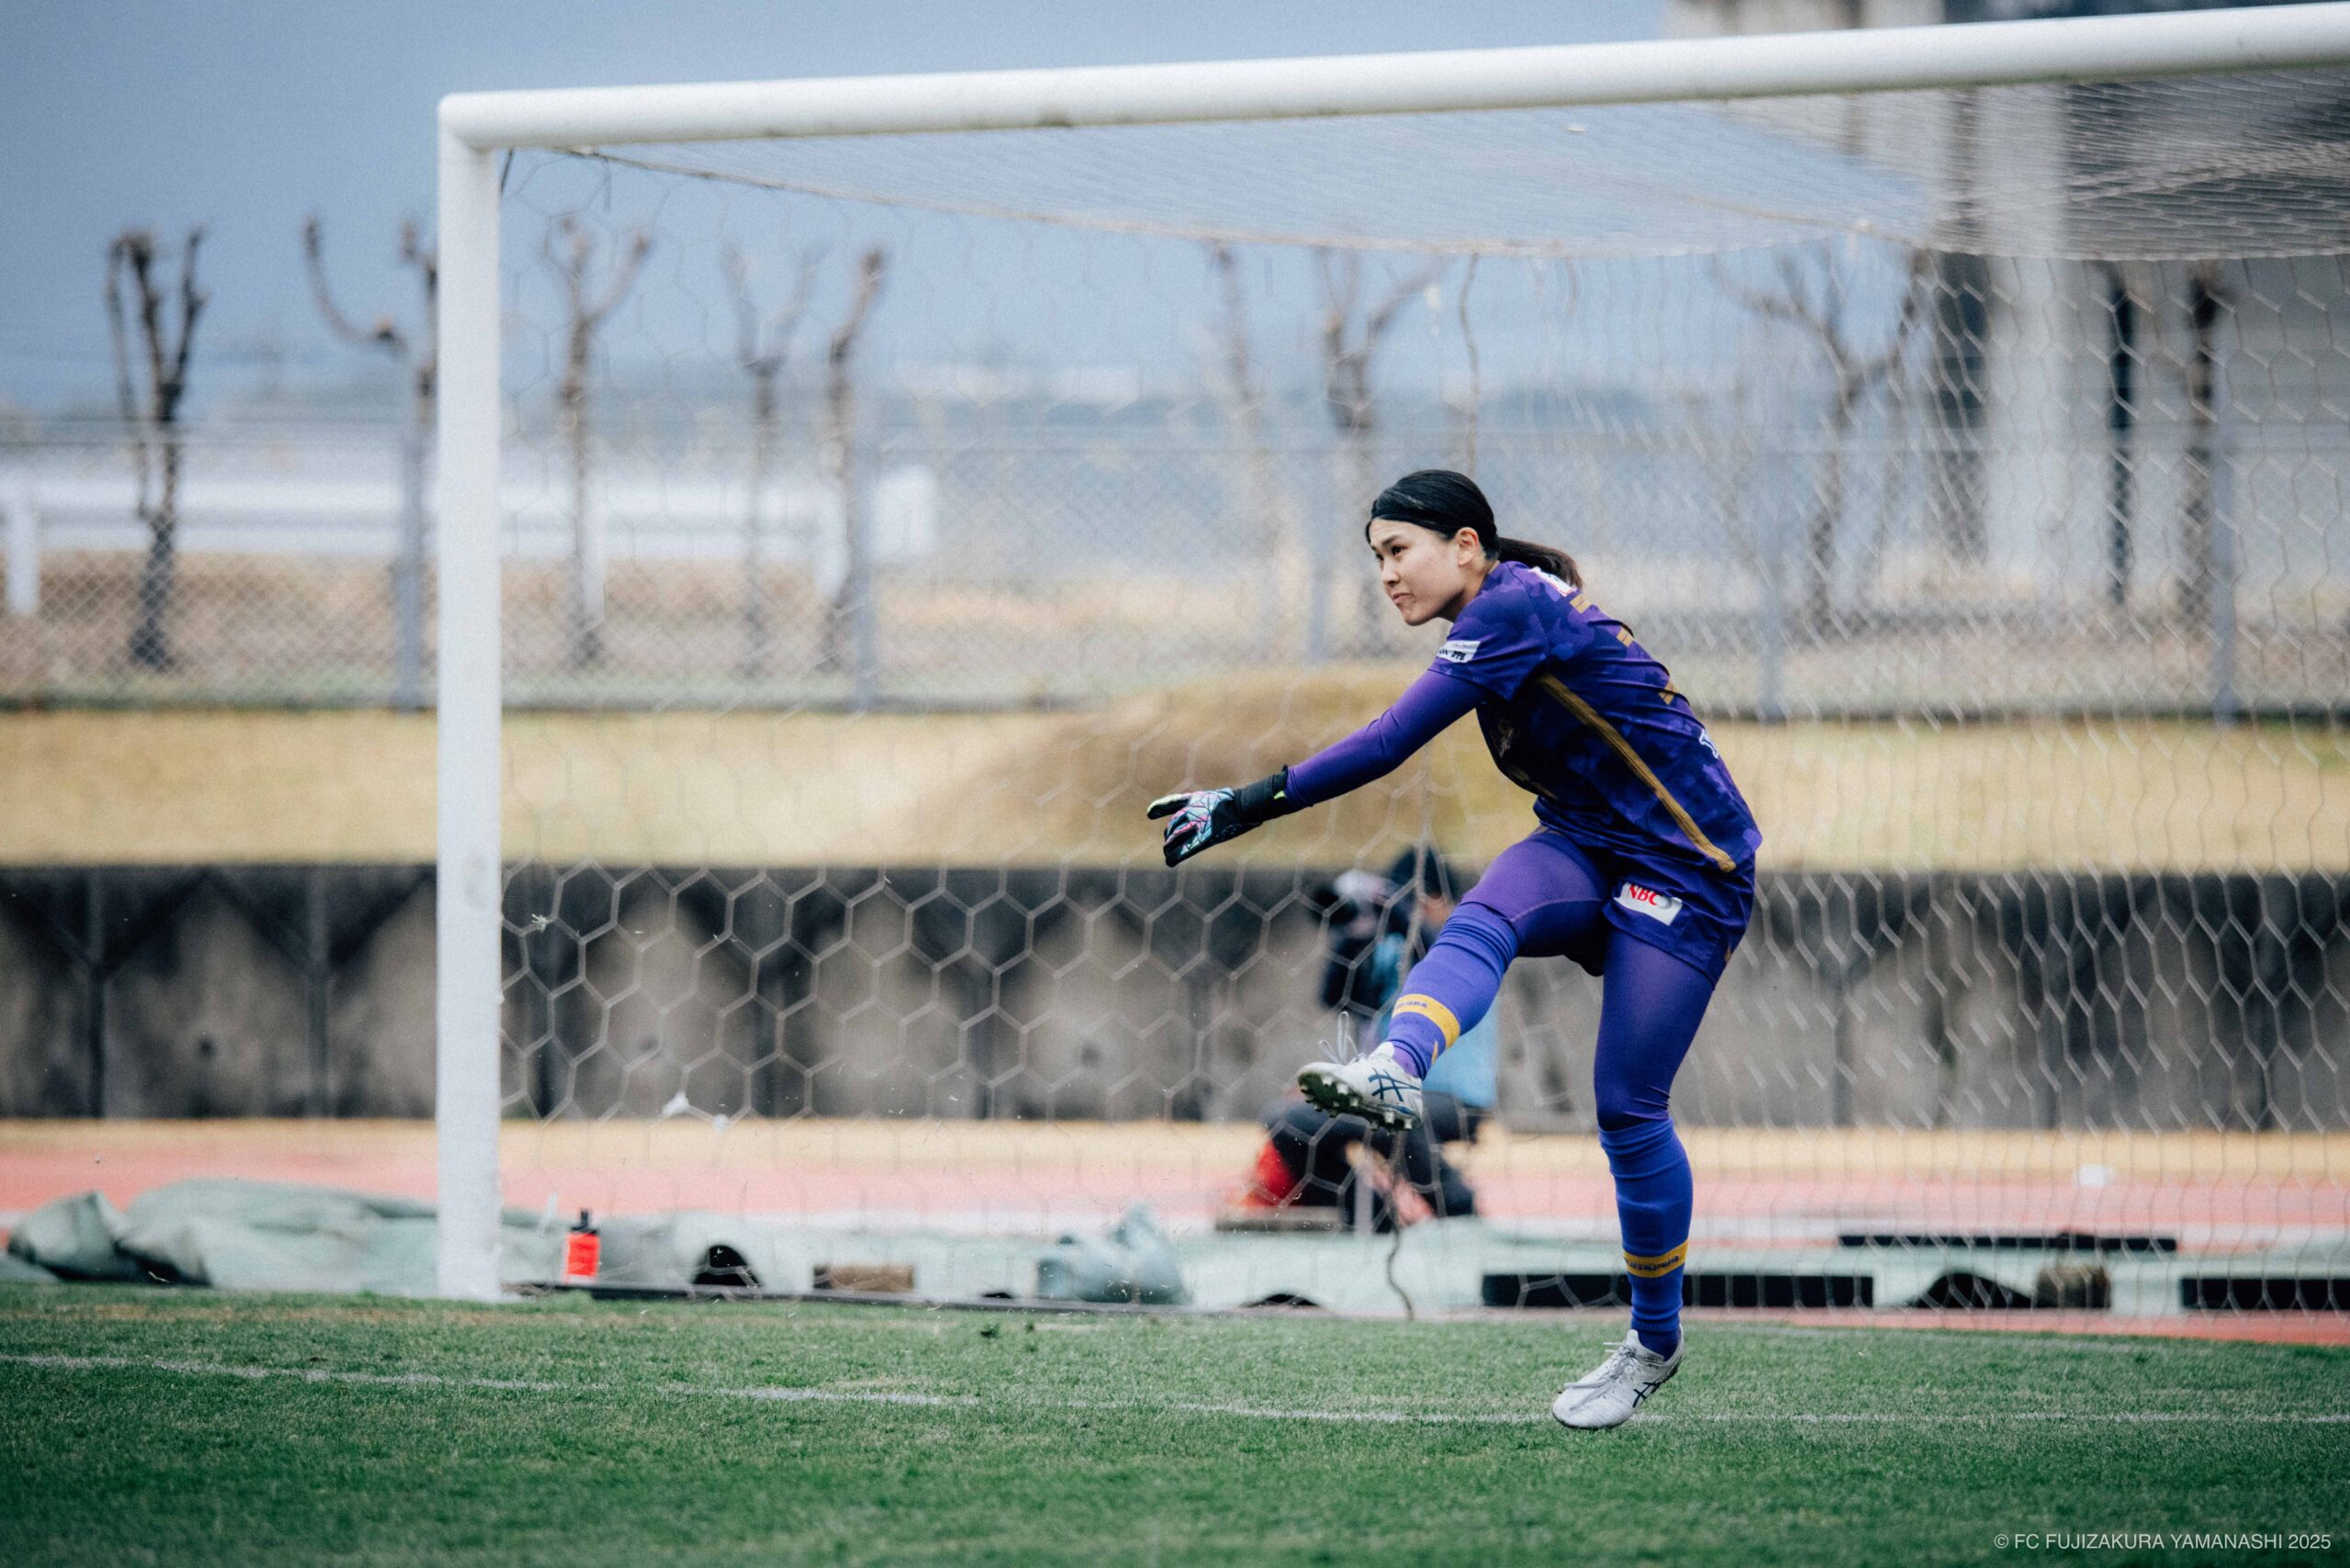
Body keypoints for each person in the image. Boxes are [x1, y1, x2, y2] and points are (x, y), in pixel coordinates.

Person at [1149, 469, 1761, 1430]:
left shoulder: (1513, 607)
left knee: (1626, 1108)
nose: (1385, 575)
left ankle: (1652, 1340)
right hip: (1585, 844)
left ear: (1467, 545)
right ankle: (1394, 1066)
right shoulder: (1503, 609)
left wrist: (1241, 802)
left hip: (1688, 872)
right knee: (1480, 915)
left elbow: (1389, 740)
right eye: (1375, 557)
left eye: (1398, 550)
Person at [1235, 846, 1492, 1228]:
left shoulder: (1466, 945)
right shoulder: (1389, 948)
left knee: (1391, 1109)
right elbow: (1334, 998)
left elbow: (1430, 951)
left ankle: (1456, 1204)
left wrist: (1392, 908)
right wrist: (1354, 933)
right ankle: (1373, 1216)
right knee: (1288, 1120)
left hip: (1455, 1099)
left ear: (1439, 902)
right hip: (1385, 1087)